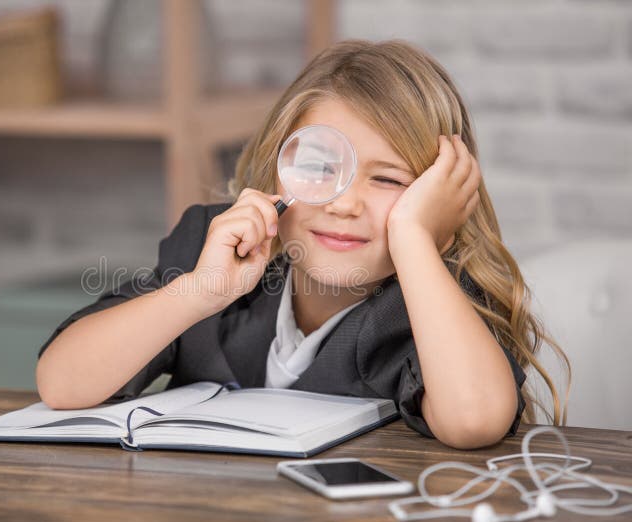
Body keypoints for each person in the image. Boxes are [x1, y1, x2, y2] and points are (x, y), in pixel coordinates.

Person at [36, 39, 570, 450]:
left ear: (439, 206)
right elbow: (61, 384)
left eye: (389, 181)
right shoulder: (212, 246)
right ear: (275, 169)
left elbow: (474, 419)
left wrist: (413, 239)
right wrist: (199, 292)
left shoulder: (430, 300)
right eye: (318, 167)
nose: (345, 204)